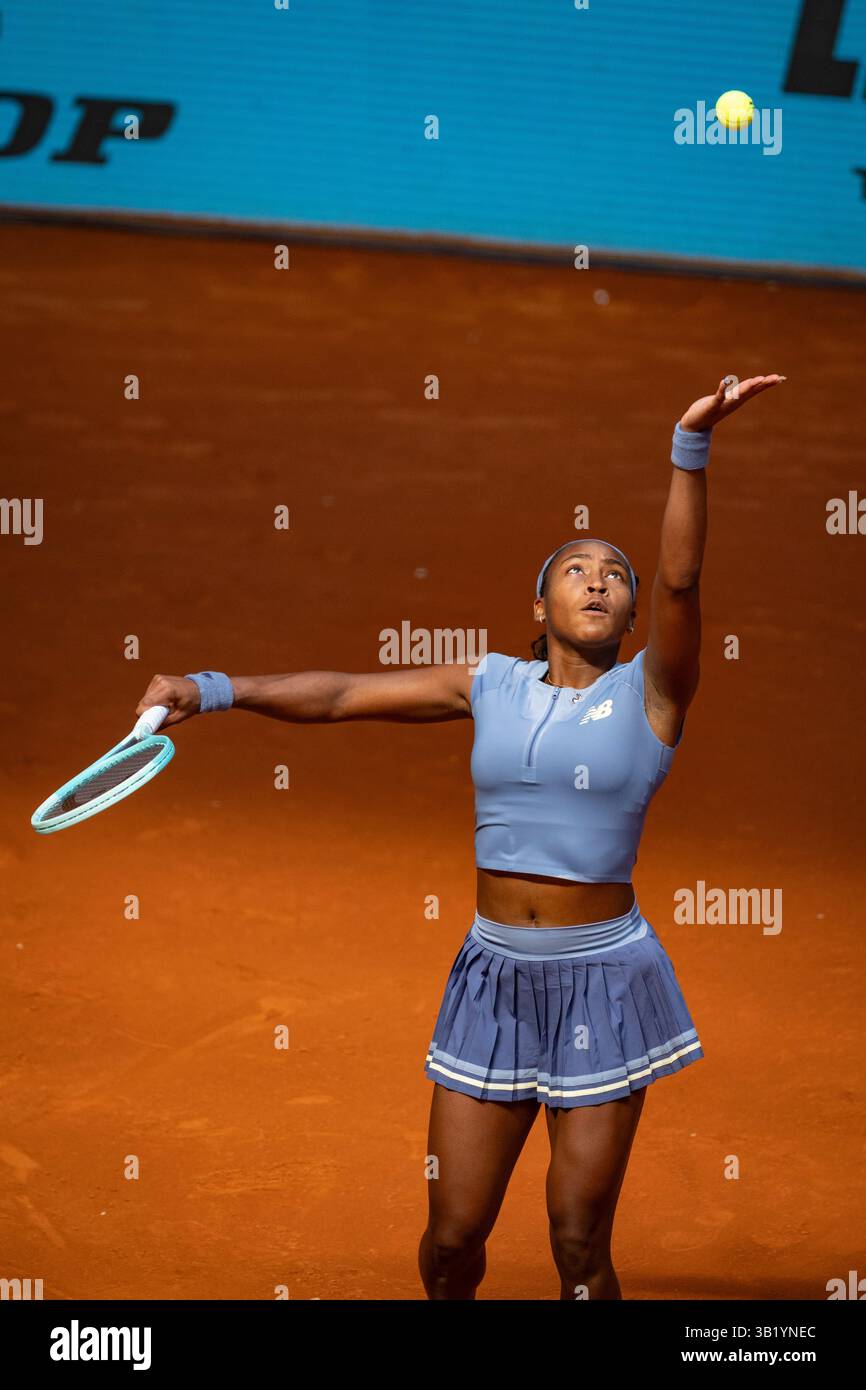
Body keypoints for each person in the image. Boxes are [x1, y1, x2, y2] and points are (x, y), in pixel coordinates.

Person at [136, 373, 784, 1301]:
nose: (598, 580)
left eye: (615, 576)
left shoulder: (653, 694)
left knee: (576, 1243)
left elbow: (683, 575)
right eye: (576, 568)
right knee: (450, 1240)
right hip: (492, 980)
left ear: (636, 617)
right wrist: (215, 686)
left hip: (602, 978)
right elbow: (345, 696)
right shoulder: (488, 683)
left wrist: (691, 443)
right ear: (539, 608)